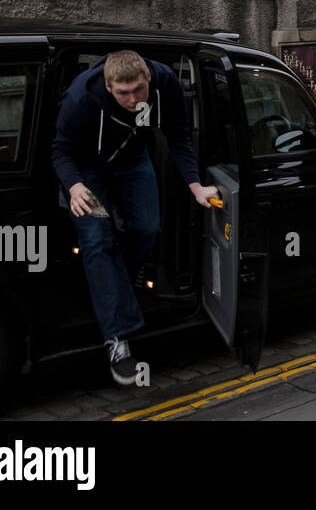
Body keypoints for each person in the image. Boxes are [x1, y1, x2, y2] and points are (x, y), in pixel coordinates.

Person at [51, 50, 218, 386]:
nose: (132, 99)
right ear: (108, 86)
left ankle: (109, 286)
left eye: (138, 90)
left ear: (148, 78)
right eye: (123, 93)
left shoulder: (165, 83)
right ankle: (118, 338)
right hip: (87, 170)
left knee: (147, 228)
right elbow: (60, 150)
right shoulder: (81, 97)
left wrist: (196, 186)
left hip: (130, 159)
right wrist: (73, 186)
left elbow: (179, 137)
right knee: (97, 239)